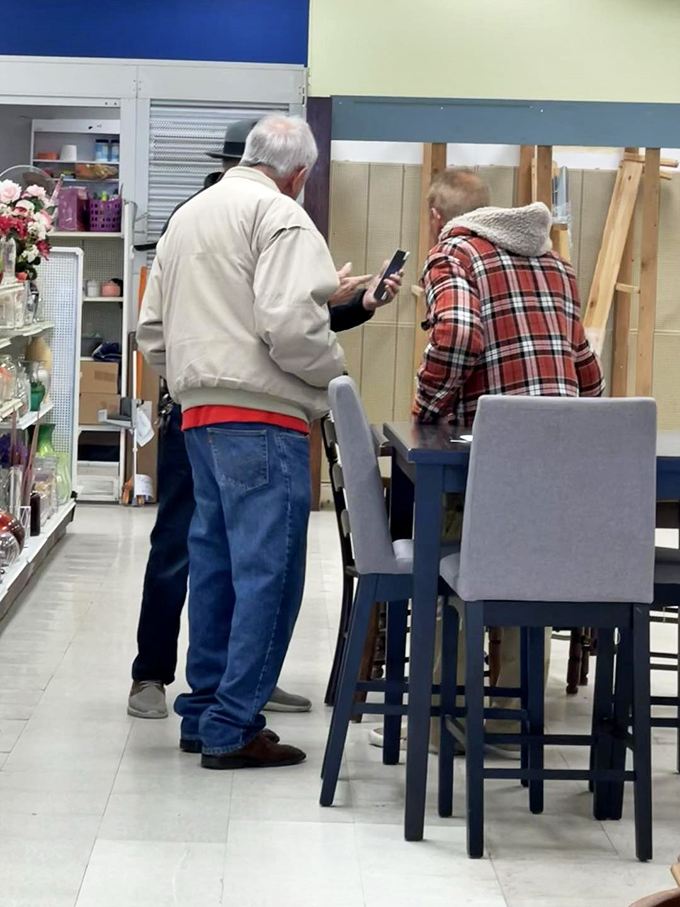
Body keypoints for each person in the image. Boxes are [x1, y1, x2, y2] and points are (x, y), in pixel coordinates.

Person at [137, 114, 396, 770]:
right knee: (269, 574)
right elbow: (288, 325)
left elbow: (153, 332)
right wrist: (333, 371)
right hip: (265, 422)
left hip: (197, 418)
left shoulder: (189, 218)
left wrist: (199, 381)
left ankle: (202, 711)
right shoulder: (282, 217)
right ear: (300, 174)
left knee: (217, 567)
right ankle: (233, 723)